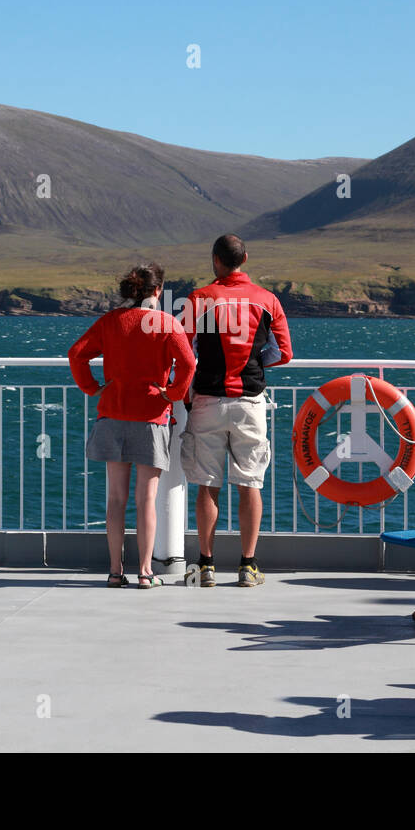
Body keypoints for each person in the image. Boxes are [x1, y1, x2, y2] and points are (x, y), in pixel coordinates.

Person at [69, 263, 195, 588]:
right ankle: (144, 572)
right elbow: (189, 363)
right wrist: (175, 393)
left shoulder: (110, 322)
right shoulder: (166, 323)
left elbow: (76, 354)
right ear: (157, 291)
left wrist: (91, 386)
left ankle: (114, 571)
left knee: (115, 499)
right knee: (146, 500)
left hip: (113, 415)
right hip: (151, 418)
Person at [179, 234, 292, 588]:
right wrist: (255, 364)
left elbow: (183, 352)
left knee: (207, 486)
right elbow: (284, 352)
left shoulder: (199, 299)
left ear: (216, 260)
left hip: (207, 402)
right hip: (249, 403)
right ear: (245, 258)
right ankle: (248, 566)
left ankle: (205, 567)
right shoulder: (267, 300)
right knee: (249, 484)